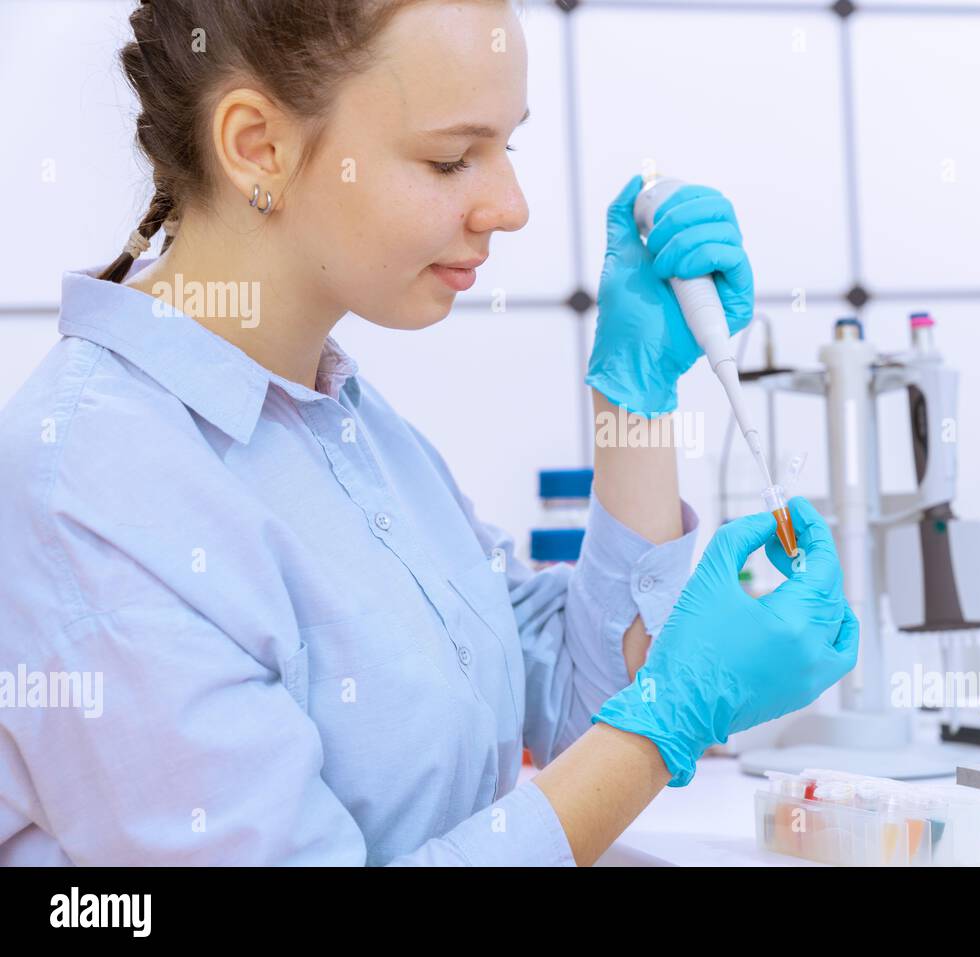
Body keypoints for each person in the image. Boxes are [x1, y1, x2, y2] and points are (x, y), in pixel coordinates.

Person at [0, 0, 857, 866]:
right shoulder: (86, 492)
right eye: (452, 159)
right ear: (258, 145)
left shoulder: (345, 424)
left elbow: (574, 710)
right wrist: (672, 714)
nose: (512, 205)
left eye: (506, 147)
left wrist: (634, 397)